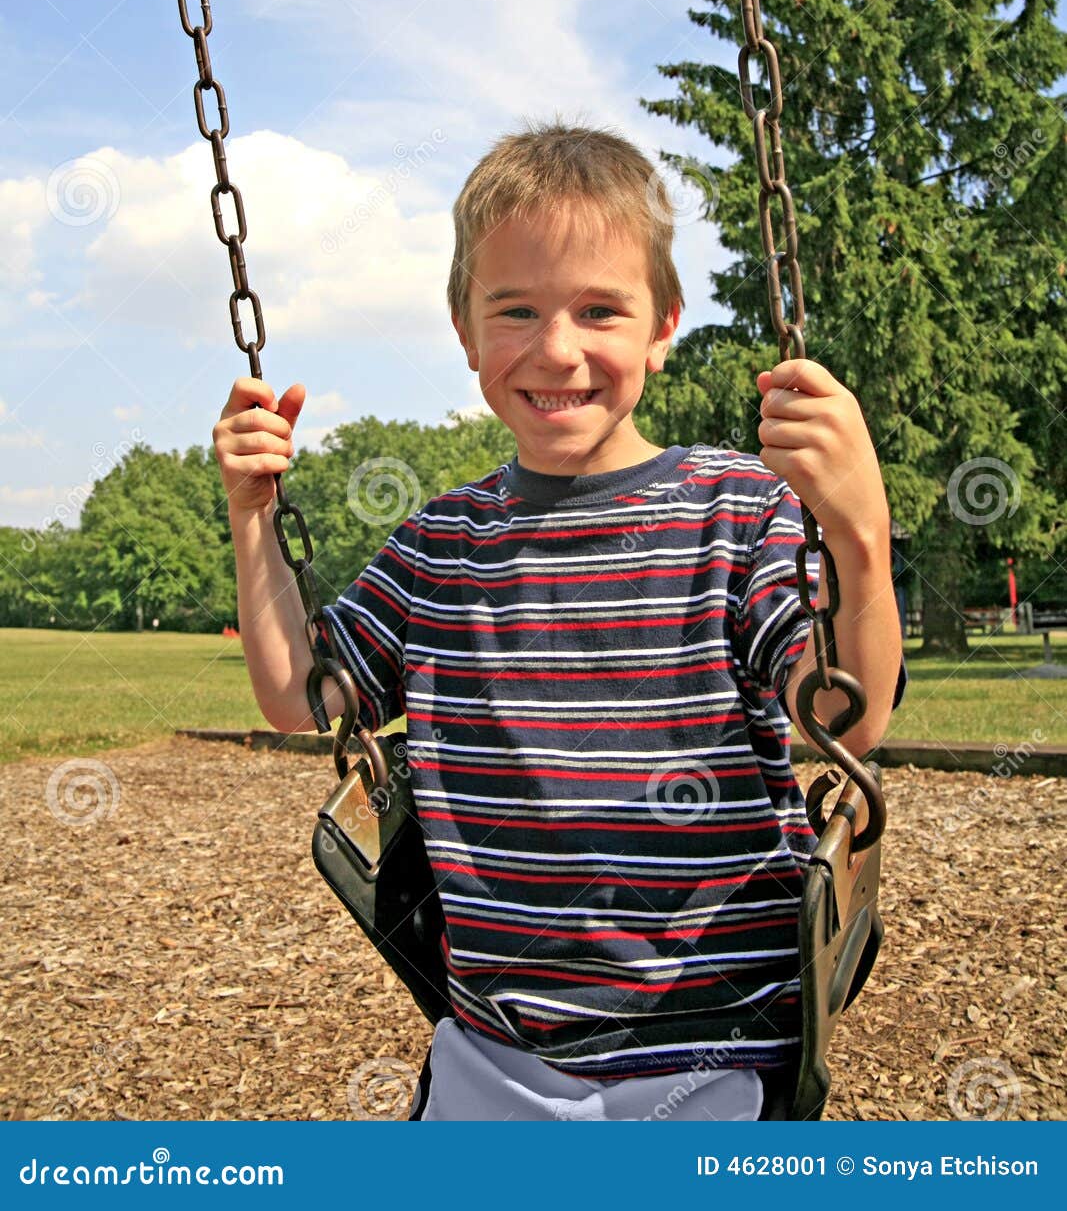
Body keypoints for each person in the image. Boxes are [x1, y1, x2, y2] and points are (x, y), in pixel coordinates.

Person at [212, 118, 907, 1122]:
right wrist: (253, 518)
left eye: (598, 310)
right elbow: (296, 693)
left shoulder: (736, 515)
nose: (557, 350)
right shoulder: (439, 545)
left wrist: (857, 537)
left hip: (714, 1054)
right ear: (464, 331)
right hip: (494, 1053)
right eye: (515, 311)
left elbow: (842, 717)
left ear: (662, 326)